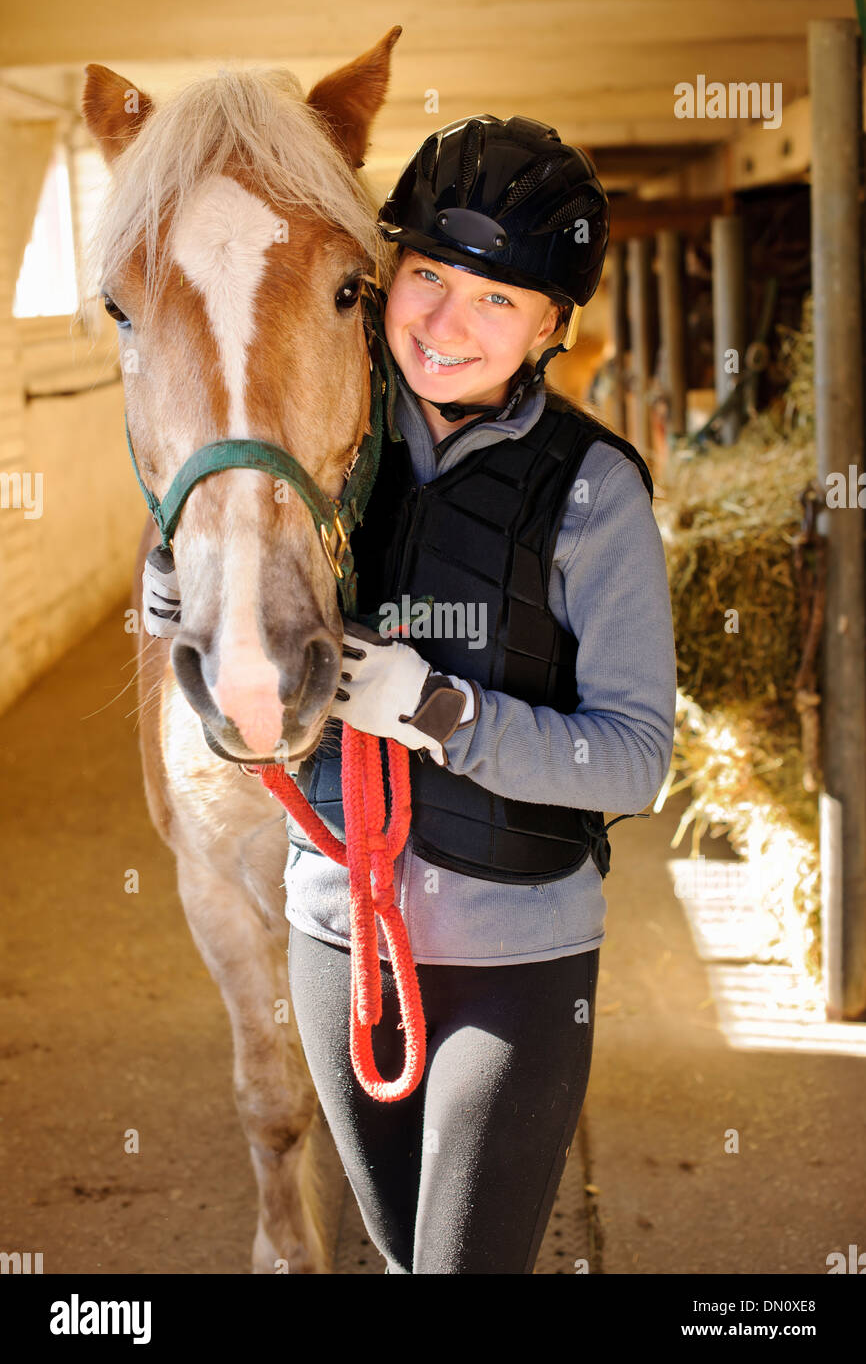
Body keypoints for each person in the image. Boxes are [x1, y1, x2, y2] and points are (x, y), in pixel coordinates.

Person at [145, 114, 678, 1275]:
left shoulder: (592, 494)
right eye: (428, 278)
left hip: (515, 958)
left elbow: (637, 758)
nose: (444, 324)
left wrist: (443, 713)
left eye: (496, 300)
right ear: (384, 276)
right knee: (396, 1253)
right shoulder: (327, 443)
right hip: (338, 934)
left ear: (550, 327)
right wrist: (183, 572)